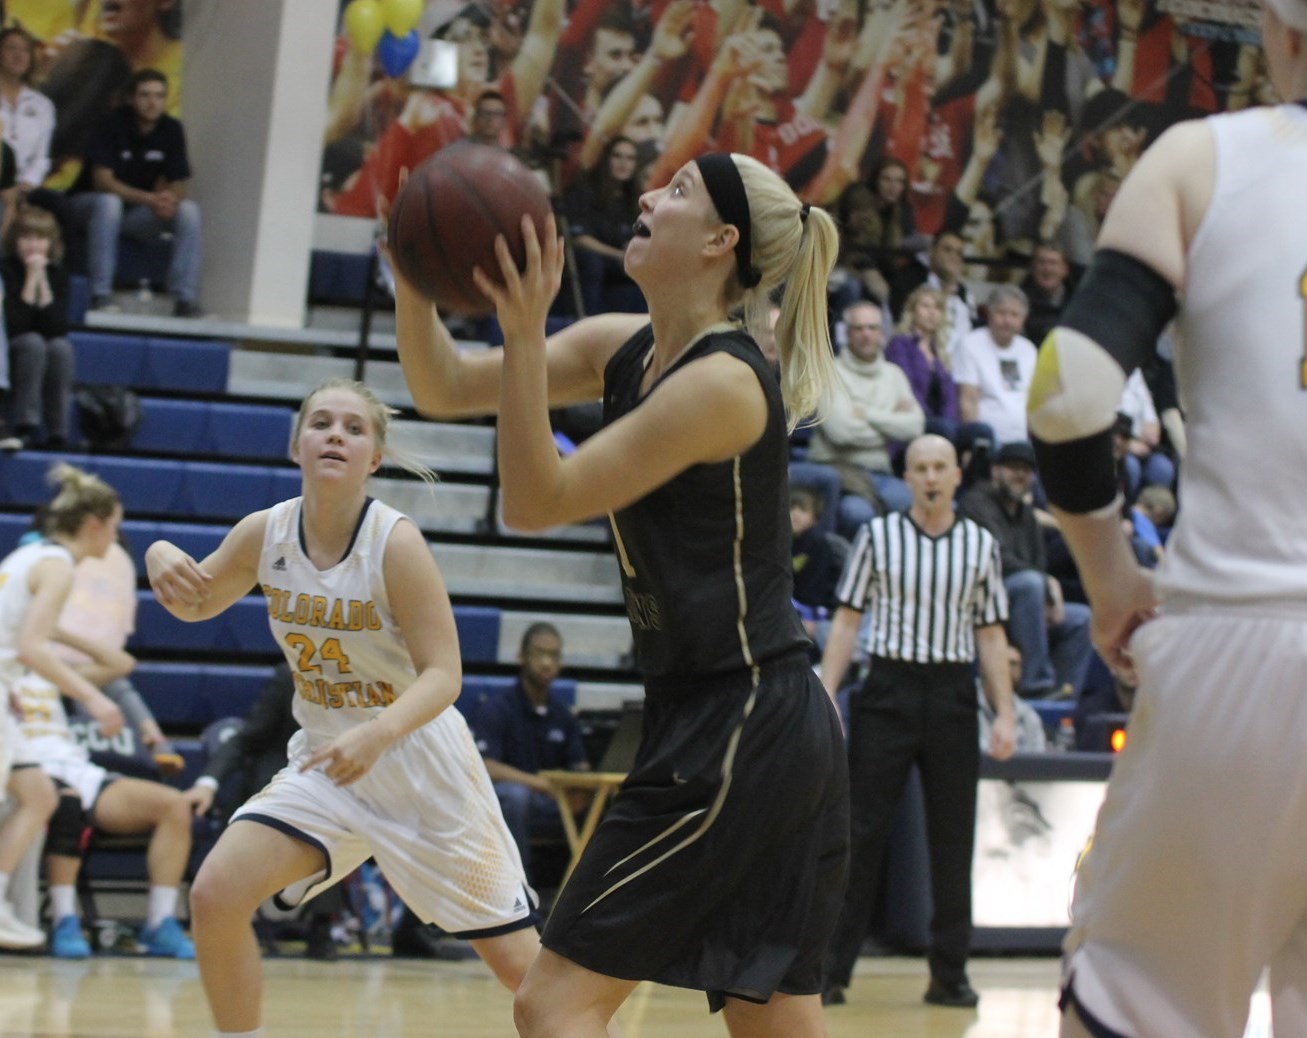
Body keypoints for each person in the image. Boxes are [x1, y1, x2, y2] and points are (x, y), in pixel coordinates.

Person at [395, 151, 849, 1036]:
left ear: (719, 241)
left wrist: (524, 334)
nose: (646, 195)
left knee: (553, 1002)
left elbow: (535, 503)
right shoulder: (624, 345)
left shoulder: (722, 383)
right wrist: (414, 271)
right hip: (731, 718)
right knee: (772, 1023)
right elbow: (442, 386)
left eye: (677, 191)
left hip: (743, 720)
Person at [1024, 4, 1307, 1033]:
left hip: (1243, 643)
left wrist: (1109, 583)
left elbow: (1068, 389)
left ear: (1279, 29)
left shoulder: (1201, 158)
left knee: (1134, 1006)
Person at [145, 378, 541, 1036]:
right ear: (296, 444)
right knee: (215, 894)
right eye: (321, 423)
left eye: (354, 428)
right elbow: (194, 602)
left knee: (527, 980)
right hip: (328, 764)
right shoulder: (264, 533)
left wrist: (379, 733)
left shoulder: (395, 543)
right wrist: (160, 552)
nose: (335, 434)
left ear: (374, 458)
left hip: (419, 767)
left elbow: (445, 674)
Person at [818, 434, 1016, 1011]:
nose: (930, 477)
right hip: (888, 688)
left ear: (957, 476)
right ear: (906, 478)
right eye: (920, 468)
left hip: (952, 693)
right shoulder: (877, 536)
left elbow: (991, 635)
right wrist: (827, 693)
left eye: (939, 467)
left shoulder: (980, 544)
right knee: (861, 832)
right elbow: (848, 620)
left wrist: (1004, 711)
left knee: (954, 838)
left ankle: (949, 975)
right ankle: (830, 971)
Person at [1, 463, 199, 959]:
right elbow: (30, 647)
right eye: (114, 526)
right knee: (42, 797)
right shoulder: (58, 566)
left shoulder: (28, 558)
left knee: (38, 795)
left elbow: (29, 640)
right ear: (93, 524)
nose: (116, 538)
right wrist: (91, 697)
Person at [959, 441, 1094, 698]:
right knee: (1029, 583)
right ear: (995, 470)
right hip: (982, 602)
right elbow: (996, 559)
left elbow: (1039, 564)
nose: (1020, 475)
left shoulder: (1028, 515)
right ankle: (1036, 684)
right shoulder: (976, 502)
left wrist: (1046, 594)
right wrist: (1045, 582)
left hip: (1023, 603)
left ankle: (1062, 694)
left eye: (1026, 470)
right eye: (1012, 468)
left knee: (1081, 619)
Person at [68, 68, 203, 316]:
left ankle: (184, 299)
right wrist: (150, 199)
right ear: (131, 98)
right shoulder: (111, 123)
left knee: (189, 211)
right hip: (88, 206)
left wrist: (169, 200)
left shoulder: (172, 129)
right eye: (145, 95)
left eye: (159, 96)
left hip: (134, 214)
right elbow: (103, 182)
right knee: (108, 204)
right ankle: (100, 294)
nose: (152, 103)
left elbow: (180, 181)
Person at [471, 622, 591, 886]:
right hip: (507, 801)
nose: (547, 663)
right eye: (539, 654)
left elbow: (580, 765)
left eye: (554, 655)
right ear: (521, 657)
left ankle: (589, 889)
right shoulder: (496, 708)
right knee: (517, 797)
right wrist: (542, 785)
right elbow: (486, 766)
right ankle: (519, 888)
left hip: (552, 802)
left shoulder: (564, 716)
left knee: (604, 802)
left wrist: (580, 789)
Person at [803, 300, 922, 537]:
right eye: (858, 328)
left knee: (916, 507)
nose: (866, 334)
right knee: (857, 513)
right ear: (847, 334)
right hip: (841, 474)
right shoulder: (828, 371)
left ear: (882, 333)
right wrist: (891, 424)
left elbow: (915, 427)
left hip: (882, 473)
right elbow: (841, 432)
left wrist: (866, 414)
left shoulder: (894, 374)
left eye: (872, 328)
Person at [0, 205, 74, 451]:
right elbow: (13, 326)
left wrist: (43, 284)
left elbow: (57, 328)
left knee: (61, 348)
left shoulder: (57, 273)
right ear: (15, 241)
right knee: (32, 343)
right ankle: (26, 423)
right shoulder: (6, 270)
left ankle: (58, 431)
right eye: (26, 238)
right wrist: (30, 281)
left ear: (51, 243)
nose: (33, 246)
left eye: (40, 239)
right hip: (11, 351)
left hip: (42, 348)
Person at [953, 285, 1039, 448]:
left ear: (1024, 318)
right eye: (1001, 313)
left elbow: (1032, 400)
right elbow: (968, 400)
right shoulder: (970, 344)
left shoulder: (1029, 349)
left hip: (1022, 443)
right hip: (987, 442)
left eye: (1014, 315)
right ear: (989, 313)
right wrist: (973, 443)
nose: (1007, 321)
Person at [0, 28, 54, 214]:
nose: (19, 55)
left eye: (25, 50)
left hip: (26, 189)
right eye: (11, 48)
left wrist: (25, 186)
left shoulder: (42, 105)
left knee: (60, 205)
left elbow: (41, 159)